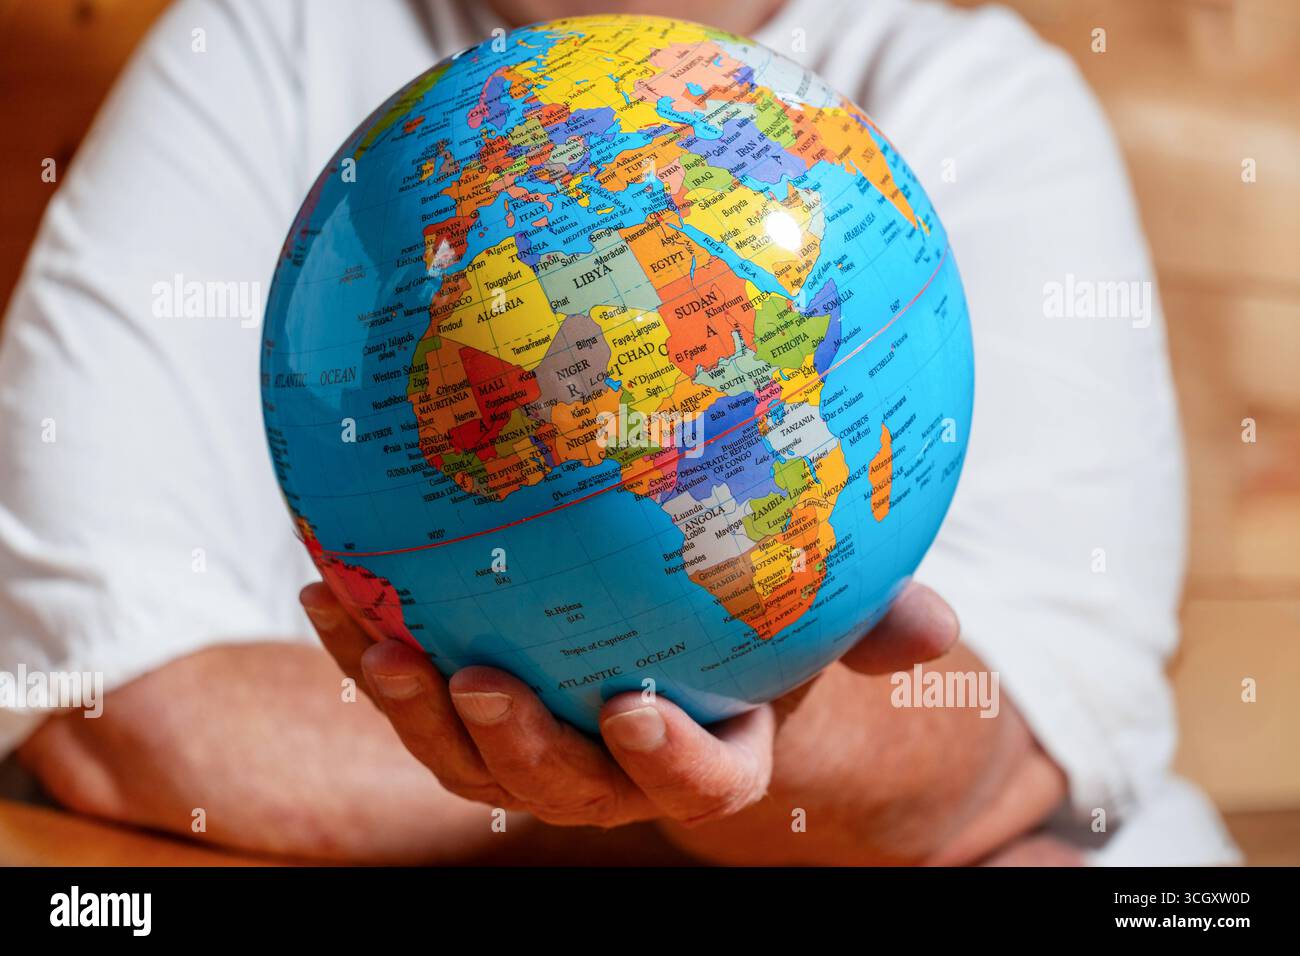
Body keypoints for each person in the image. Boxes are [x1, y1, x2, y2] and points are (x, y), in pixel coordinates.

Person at [0, 0, 1239, 865]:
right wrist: (640, 757)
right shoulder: (260, 43)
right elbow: (124, 714)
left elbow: (991, 767)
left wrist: (568, 755)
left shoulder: (985, 95)